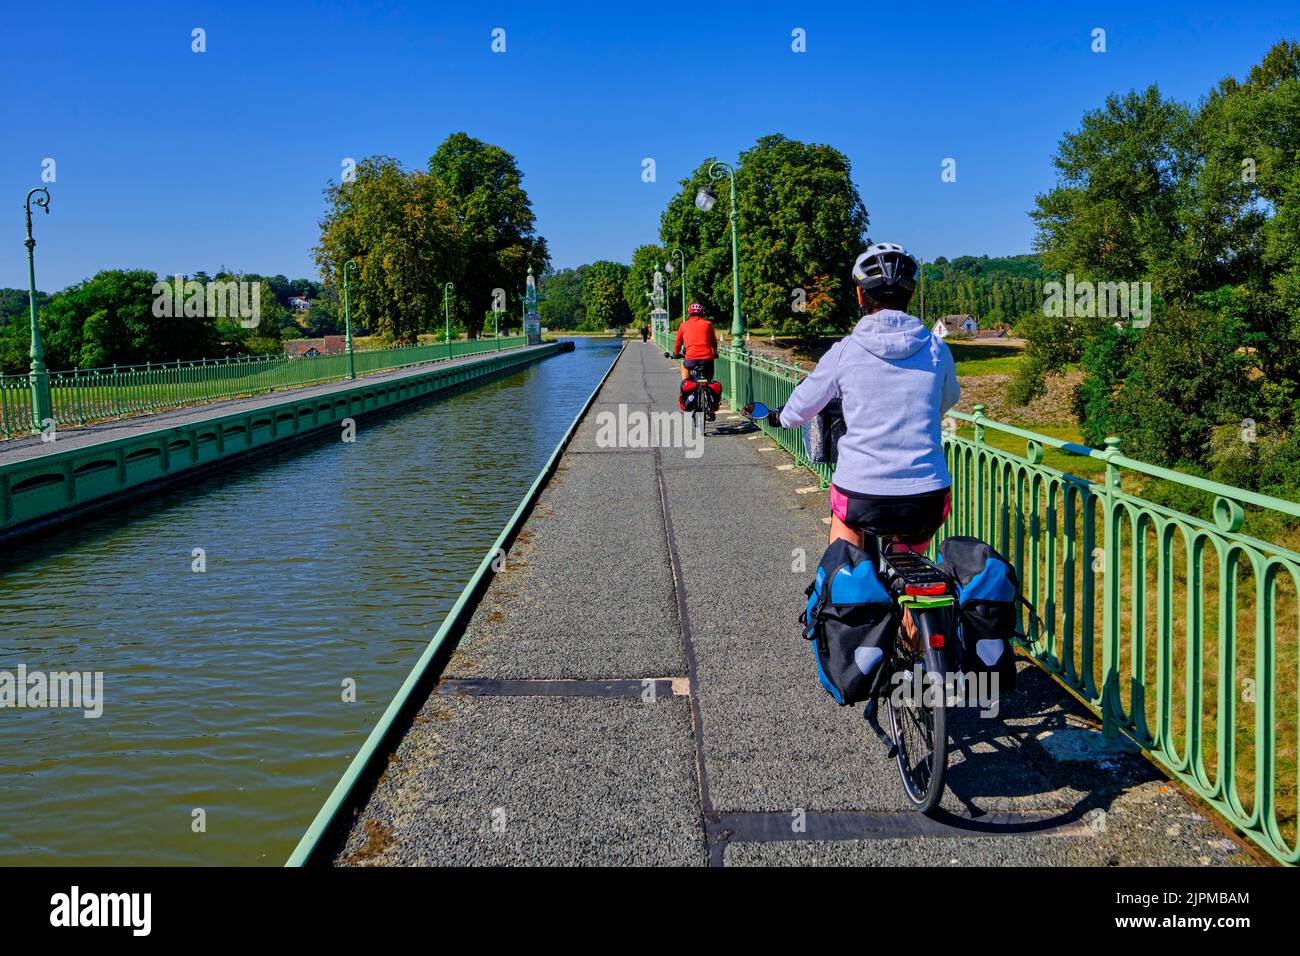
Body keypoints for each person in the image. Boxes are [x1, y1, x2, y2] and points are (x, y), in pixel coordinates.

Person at [747, 243, 959, 561]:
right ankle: (911, 603)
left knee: (845, 546)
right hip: (928, 495)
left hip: (862, 493)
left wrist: (781, 417)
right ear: (910, 297)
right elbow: (948, 399)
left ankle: (846, 594)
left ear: (860, 295)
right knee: (911, 569)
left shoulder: (845, 351)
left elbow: (804, 405)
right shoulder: (937, 348)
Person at [673, 303, 718, 382]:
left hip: (691, 359)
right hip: (707, 360)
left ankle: (686, 390)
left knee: (685, 368)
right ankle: (708, 391)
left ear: (689, 313)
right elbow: (714, 342)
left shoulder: (683, 325)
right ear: (702, 313)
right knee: (709, 380)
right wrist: (715, 353)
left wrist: (676, 353)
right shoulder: (708, 324)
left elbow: (678, 343)